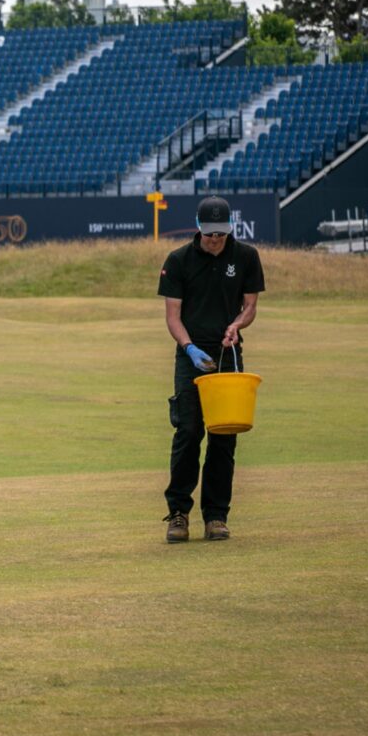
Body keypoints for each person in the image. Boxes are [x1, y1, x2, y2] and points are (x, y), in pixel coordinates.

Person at [156, 195, 265, 542]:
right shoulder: (178, 261)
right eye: (210, 233)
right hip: (191, 358)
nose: (215, 239)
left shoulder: (246, 257)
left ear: (228, 228)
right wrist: (188, 348)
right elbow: (173, 317)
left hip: (227, 356)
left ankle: (216, 516)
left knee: (224, 436)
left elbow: (250, 306)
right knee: (188, 433)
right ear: (199, 227)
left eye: (221, 233)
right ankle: (178, 514)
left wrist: (236, 325)